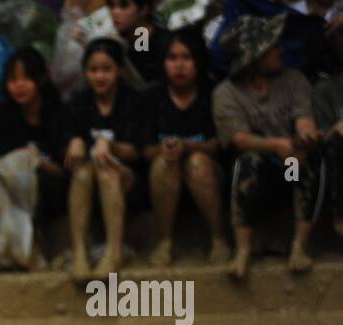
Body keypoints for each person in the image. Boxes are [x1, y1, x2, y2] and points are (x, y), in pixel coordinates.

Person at [214, 13, 321, 279]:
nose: (279, 51)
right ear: (255, 57)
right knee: (248, 163)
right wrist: (275, 145)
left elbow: (303, 118)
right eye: (272, 48)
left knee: (303, 163)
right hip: (253, 172)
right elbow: (238, 138)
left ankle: (299, 247)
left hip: (289, 167)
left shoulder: (294, 80)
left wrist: (305, 136)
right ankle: (242, 251)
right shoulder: (226, 93)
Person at [64, 36, 146, 279]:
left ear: (119, 71)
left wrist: (111, 146)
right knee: (82, 171)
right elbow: (68, 146)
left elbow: (139, 150)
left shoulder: (132, 102)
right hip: (87, 181)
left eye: (106, 69)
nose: (100, 76)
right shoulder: (78, 104)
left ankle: (114, 252)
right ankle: (79, 251)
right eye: (93, 70)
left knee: (106, 170)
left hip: (128, 180)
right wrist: (73, 142)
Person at [144, 29, 227, 267]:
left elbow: (220, 144)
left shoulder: (213, 93)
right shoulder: (152, 97)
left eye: (186, 57)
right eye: (172, 58)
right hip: (163, 178)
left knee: (197, 163)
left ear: (198, 61)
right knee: (163, 162)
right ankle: (164, 242)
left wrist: (188, 146)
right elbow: (143, 150)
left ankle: (219, 239)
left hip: (209, 176)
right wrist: (164, 149)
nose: (179, 65)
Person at [0, 47, 66, 262]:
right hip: (9, 186)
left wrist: (34, 161)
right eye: (13, 80)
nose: (19, 86)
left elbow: (65, 170)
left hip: (52, 189)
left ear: (40, 79)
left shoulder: (59, 113)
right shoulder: (3, 114)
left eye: (26, 78)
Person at [312, 23, 343, 240]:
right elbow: (319, 139)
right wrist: (336, 129)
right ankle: (340, 218)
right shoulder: (325, 90)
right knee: (293, 169)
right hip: (290, 161)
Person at [110, 0, 163, 89]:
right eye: (112, 6)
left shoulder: (164, 44)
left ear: (143, 9)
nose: (115, 12)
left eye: (124, 6)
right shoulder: (119, 45)